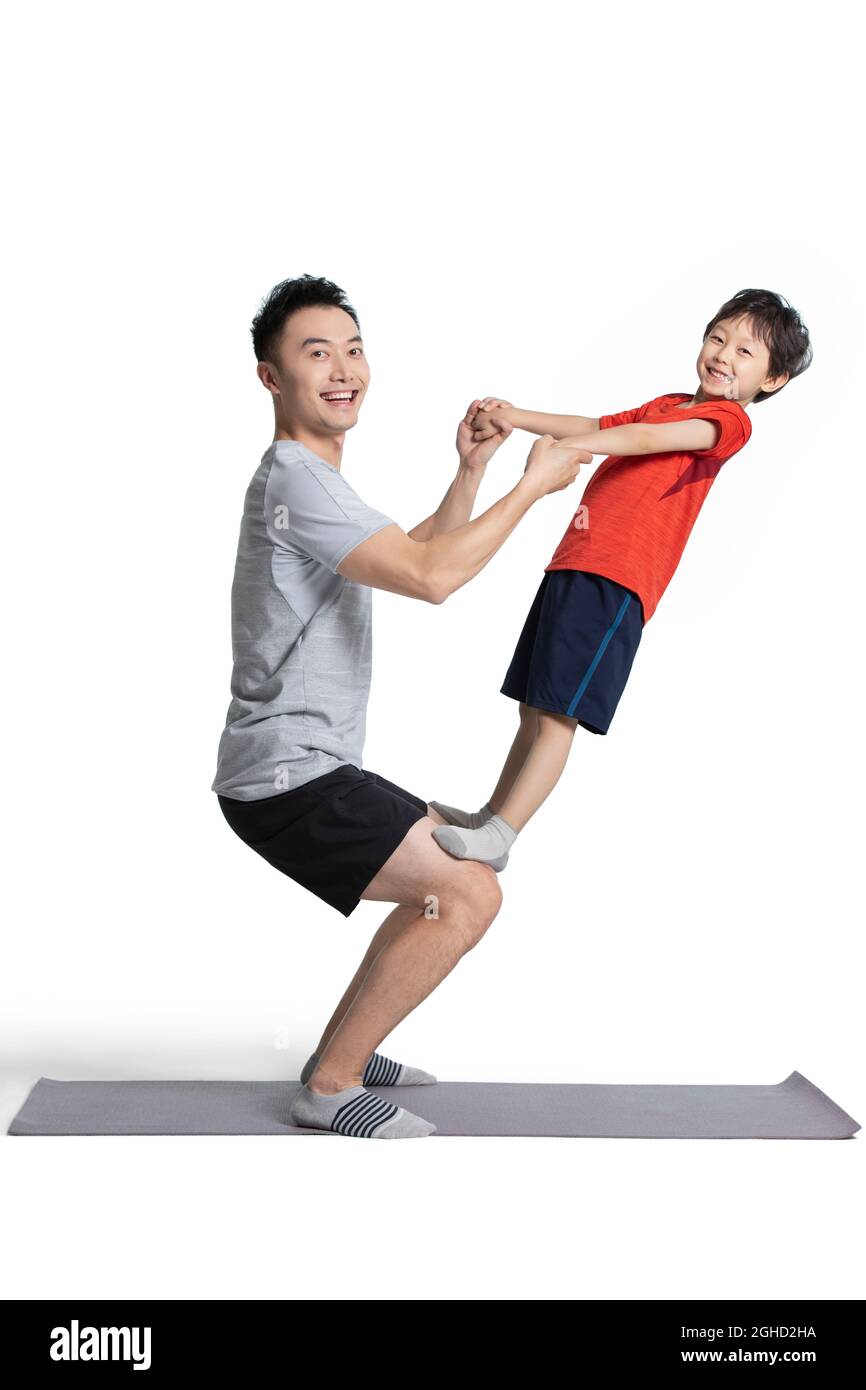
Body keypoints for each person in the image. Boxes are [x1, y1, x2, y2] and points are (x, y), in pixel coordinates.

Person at [211, 274, 589, 1138]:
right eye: (317, 353)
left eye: (353, 349)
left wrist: (474, 470)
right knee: (468, 893)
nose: (343, 370)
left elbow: (415, 548)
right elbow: (434, 579)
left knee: (458, 858)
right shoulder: (297, 480)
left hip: (310, 768)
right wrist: (533, 486)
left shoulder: (315, 480)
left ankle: (344, 1046)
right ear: (272, 378)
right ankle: (331, 1087)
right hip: (285, 781)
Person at [428, 289, 813, 870]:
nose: (724, 355)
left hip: (617, 581)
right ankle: (490, 816)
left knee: (561, 715)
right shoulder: (668, 401)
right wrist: (517, 416)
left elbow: (641, 440)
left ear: (773, 379)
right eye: (717, 338)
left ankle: (504, 834)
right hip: (575, 563)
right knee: (534, 706)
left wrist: (565, 450)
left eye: (745, 351)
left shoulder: (727, 421)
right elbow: (598, 422)